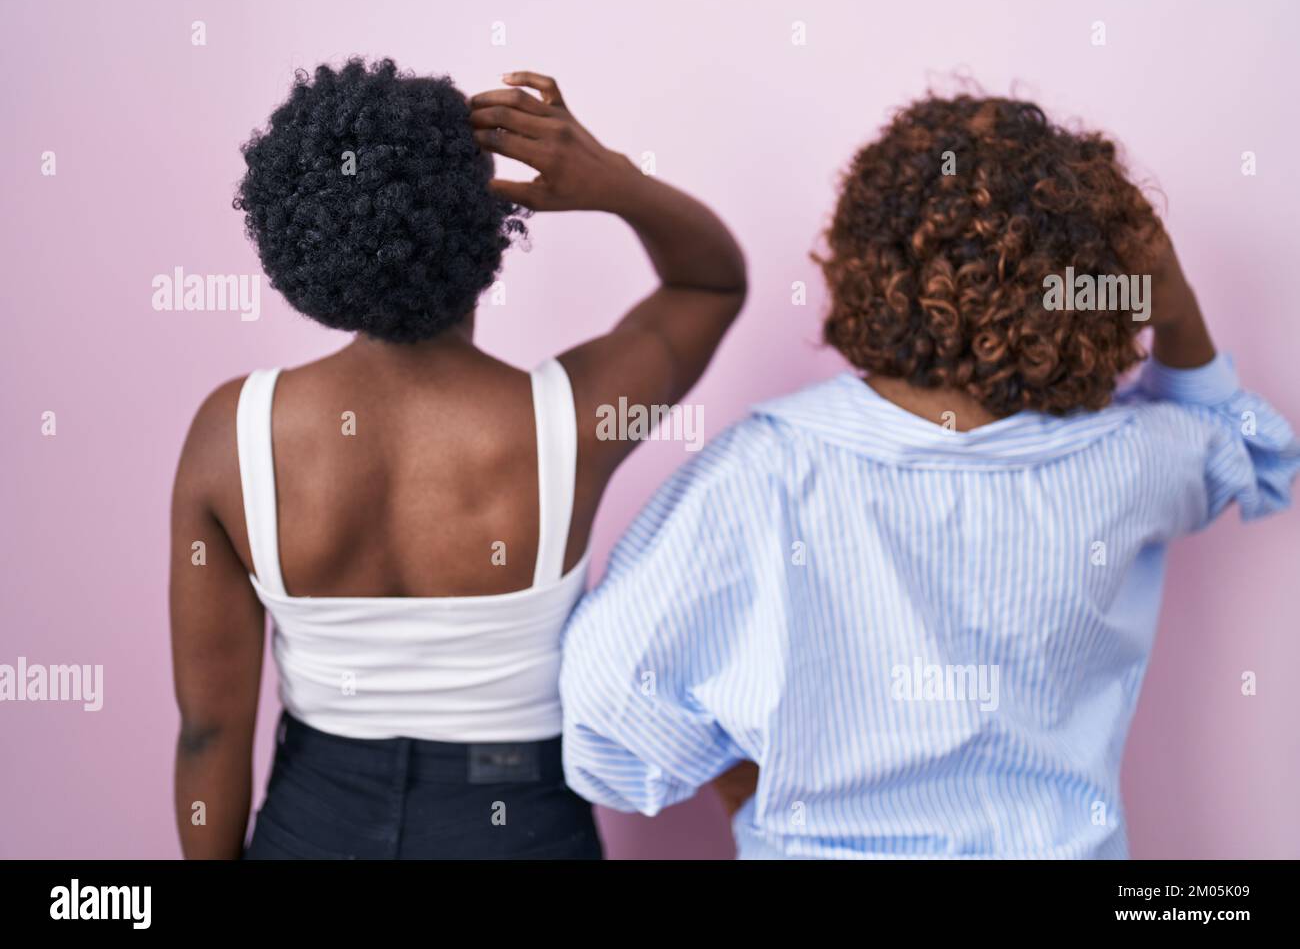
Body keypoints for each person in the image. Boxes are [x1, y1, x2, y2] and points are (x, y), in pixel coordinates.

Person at [557, 93, 1300, 858]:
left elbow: (607, 734)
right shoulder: (1131, 462)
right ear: (1092, 295)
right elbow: (1242, 443)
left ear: (862, 260)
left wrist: (752, 774)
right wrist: (1168, 303)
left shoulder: (757, 472)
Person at [168, 58, 746, 859]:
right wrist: (614, 183)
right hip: (520, 822)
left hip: (316, 822)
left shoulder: (234, 433)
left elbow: (208, 733)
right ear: (486, 224)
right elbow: (712, 285)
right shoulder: (571, 420)